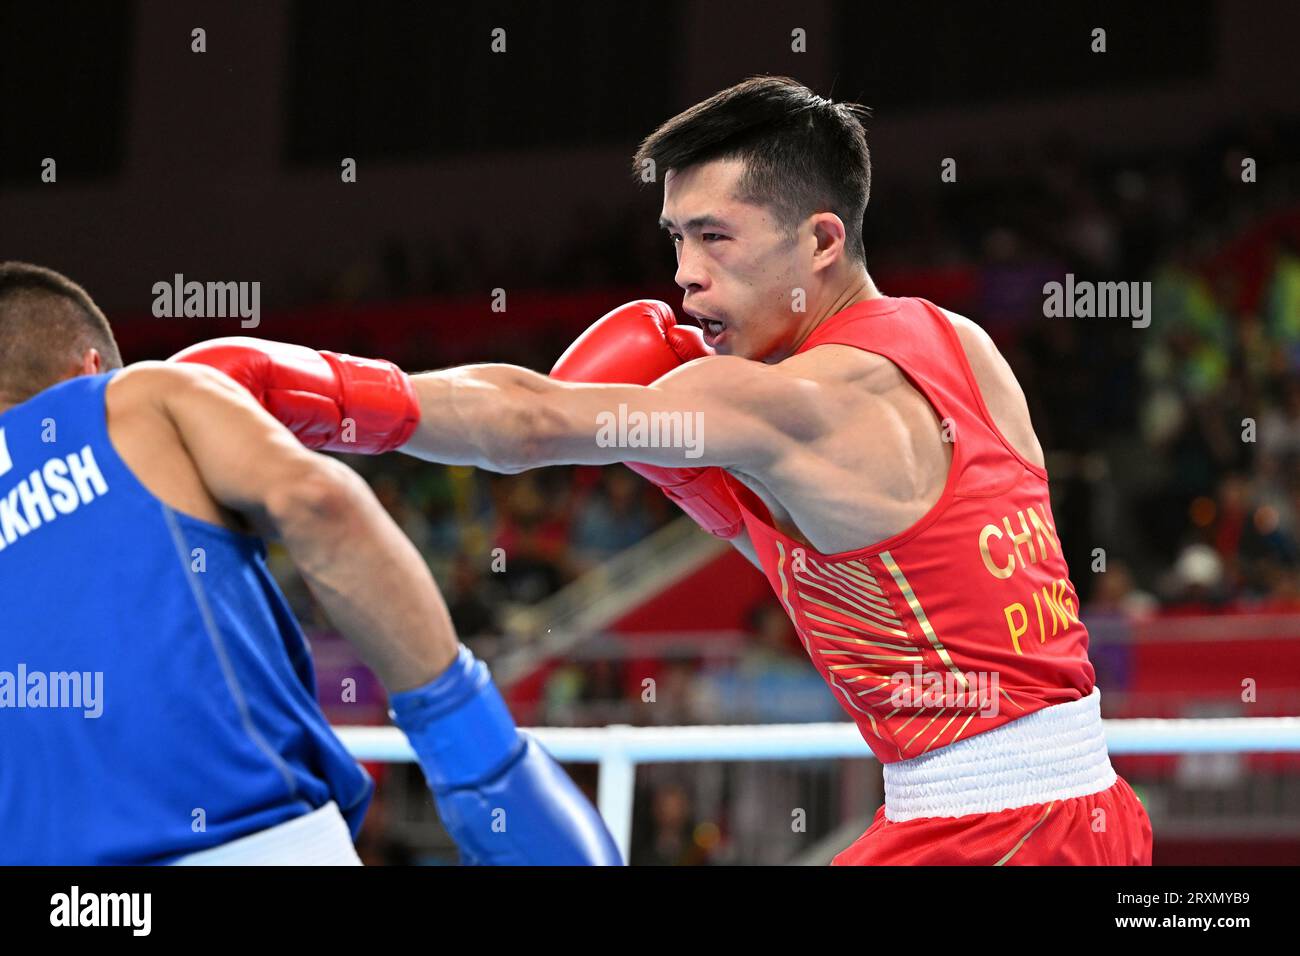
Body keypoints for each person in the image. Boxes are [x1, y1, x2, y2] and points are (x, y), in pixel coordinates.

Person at [174, 75, 1152, 865]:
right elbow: (916, 581)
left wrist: (312, 387)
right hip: (1081, 810)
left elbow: (526, 420)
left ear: (819, 238)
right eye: (676, 238)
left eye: (714, 237)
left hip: (993, 832)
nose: (684, 276)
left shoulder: (795, 401)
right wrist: (717, 499)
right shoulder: (963, 344)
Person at [0, 261, 619, 866]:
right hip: (247, 842)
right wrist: (480, 759)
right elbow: (318, 504)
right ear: (89, 370)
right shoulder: (134, 397)